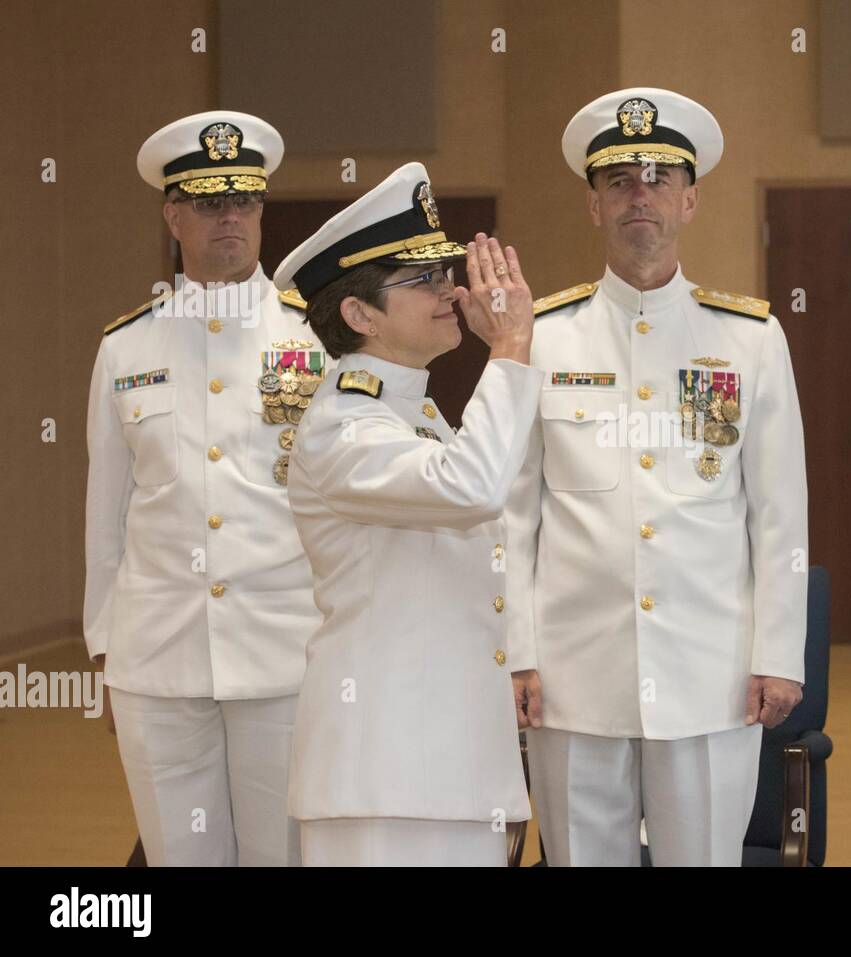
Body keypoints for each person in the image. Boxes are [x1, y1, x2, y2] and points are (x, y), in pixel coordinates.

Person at [505, 88, 809, 866]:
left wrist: (779, 649)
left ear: (691, 198)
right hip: (575, 677)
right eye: (619, 181)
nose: (640, 195)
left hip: (708, 675)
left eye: (658, 178)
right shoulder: (542, 337)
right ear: (594, 205)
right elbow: (513, 513)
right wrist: (517, 650)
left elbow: (779, 513)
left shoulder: (749, 338)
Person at [273, 162, 541, 866]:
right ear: (360, 315)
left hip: (443, 766)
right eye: (421, 280)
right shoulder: (343, 424)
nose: (450, 289)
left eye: (442, 272)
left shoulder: (413, 411)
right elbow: (474, 486)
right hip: (384, 774)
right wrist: (510, 348)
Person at [85, 111, 327, 866]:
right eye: (210, 200)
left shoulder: (318, 337)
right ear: (174, 214)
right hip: (159, 661)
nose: (231, 217)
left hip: (285, 656)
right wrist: (103, 650)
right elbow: (107, 512)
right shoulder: (126, 347)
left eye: (245, 200)